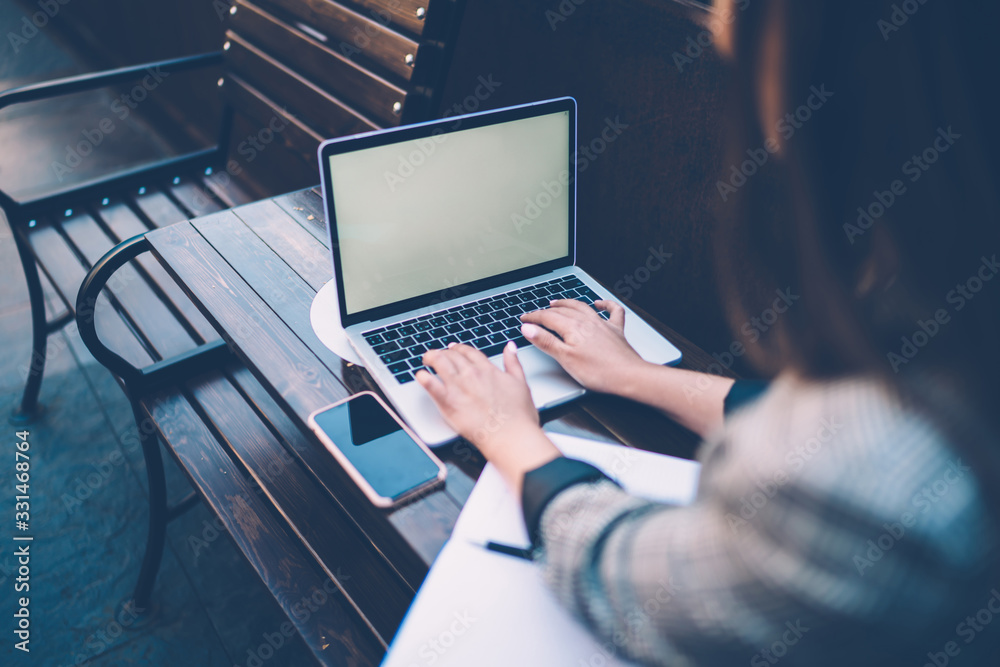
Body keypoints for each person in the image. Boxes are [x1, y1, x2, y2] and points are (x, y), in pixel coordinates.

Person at [416, 0, 1000, 664]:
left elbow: (627, 580)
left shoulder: (860, 485)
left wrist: (511, 437)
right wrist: (639, 378)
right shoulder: (953, 301)